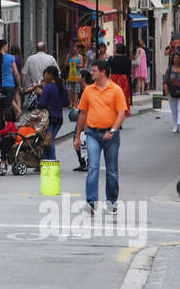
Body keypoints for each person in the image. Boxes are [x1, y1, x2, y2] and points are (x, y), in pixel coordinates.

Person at [73, 59, 129, 214]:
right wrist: (77, 136)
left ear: (103, 72)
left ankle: (111, 202)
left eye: (94, 70)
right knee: (93, 167)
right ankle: (91, 202)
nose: (91, 73)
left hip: (110, 135)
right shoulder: (88, 90)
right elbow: (82, 113)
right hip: (92, 133)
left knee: (111, 170)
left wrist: (112, 131)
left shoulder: (116, 90)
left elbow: (121, 113)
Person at [39, 65, 70, 161]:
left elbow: (42, 104)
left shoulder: (48, 87)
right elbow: (66, 103)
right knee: (48, 140)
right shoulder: (62, 86)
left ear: (50, 75)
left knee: (49, 140)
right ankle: (44, 162)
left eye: (45, 73)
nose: (43, 76)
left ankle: (52, 162)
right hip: (59, 118)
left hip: (49, 118)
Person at [108, 42, 132, 110]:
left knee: (113, 95)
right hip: (124, 79)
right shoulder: (128, 60)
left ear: (117, 50)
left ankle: (113, 108)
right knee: (123, 95)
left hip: (113, 79)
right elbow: (129, 72)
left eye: (115, 48)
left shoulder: (111, 59)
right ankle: (123, 108)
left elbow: (108, 70)